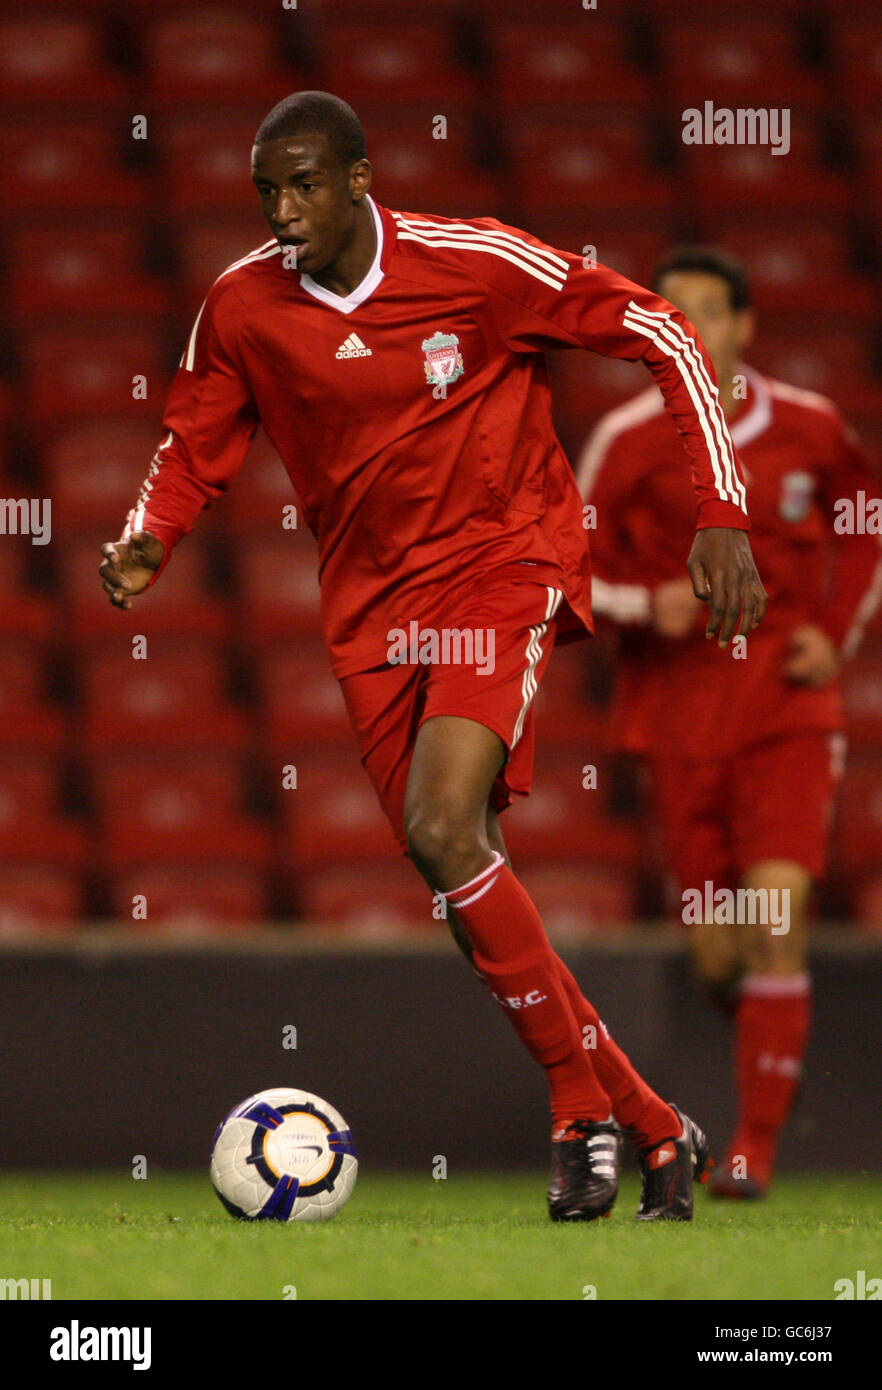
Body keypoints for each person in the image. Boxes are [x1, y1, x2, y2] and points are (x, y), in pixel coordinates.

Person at [99, 93, 766, 1222]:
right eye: (267, 191)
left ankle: (575, 1112)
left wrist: (721, 510)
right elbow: (194, 434)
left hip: (504, 561)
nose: (283, 210)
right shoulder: (243, 304)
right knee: (462, 882)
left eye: (304, 185)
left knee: (445, 828)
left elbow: (659, 328)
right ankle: (656, 1123)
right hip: (369, 610)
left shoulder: (475, 263)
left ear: (361, 179)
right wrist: (148, 535)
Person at [579, 246, 882, 1197]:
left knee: (778, 918)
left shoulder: (811, 426)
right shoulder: (627, 441)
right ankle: (754, 1019)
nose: (692, 329)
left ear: (746, 326)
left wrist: (834, 633)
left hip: (788, 710)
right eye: (671, 314)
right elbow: (568, 570)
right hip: (681, 718)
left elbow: (867, 521)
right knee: (723, 949)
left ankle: (753, 1146)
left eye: (709, 312)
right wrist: (641, 603)